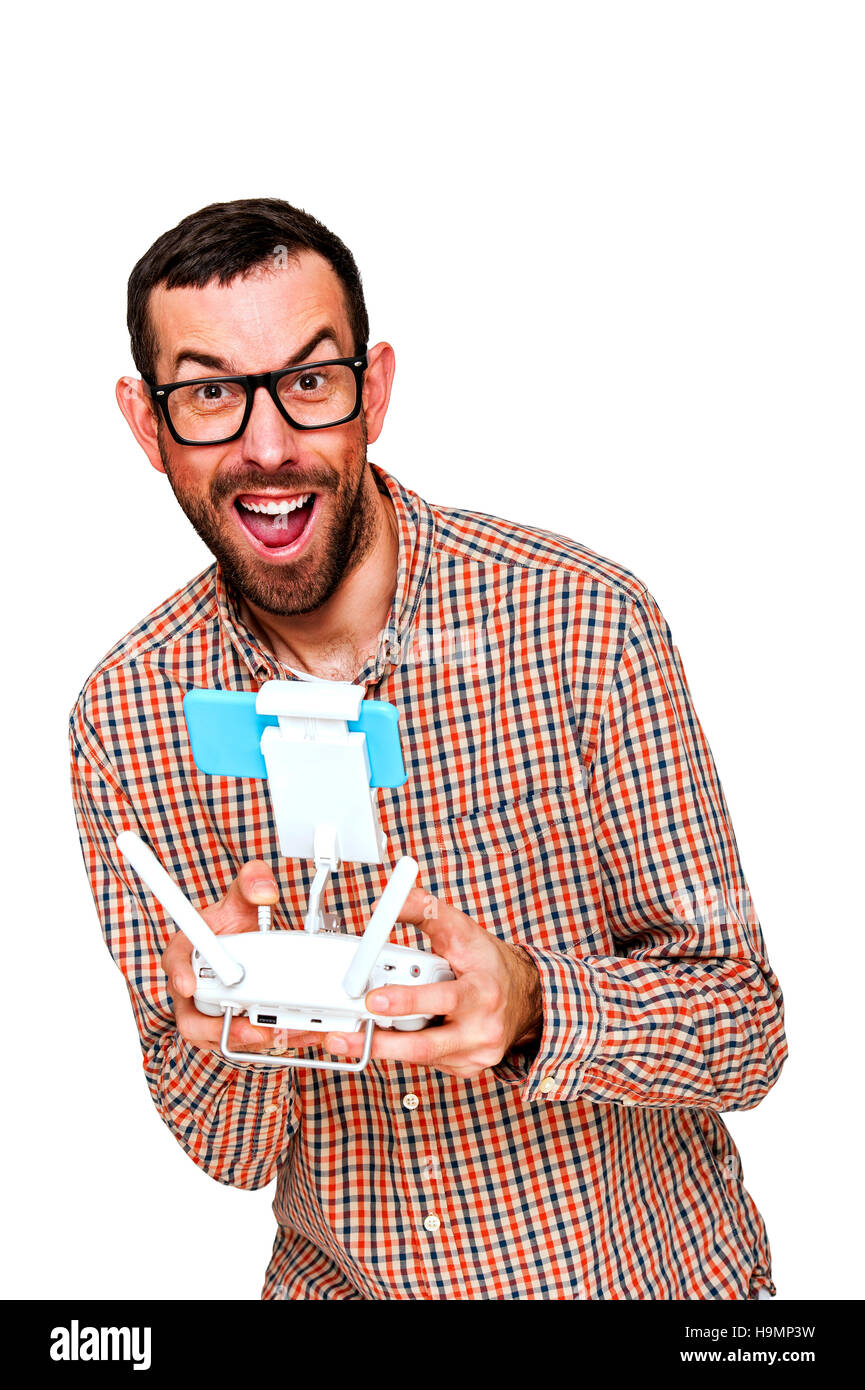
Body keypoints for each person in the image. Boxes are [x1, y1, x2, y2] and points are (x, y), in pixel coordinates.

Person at [69, 197, 787, 1301]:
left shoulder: (583, 623)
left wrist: (536, 1002)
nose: (266, 446)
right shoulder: (127, 717)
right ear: (145, 423)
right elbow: (226, 1152)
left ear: (376, 392)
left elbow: (747, 1028)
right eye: (209, 393)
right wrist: (231, 1026)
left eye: (308, 381)